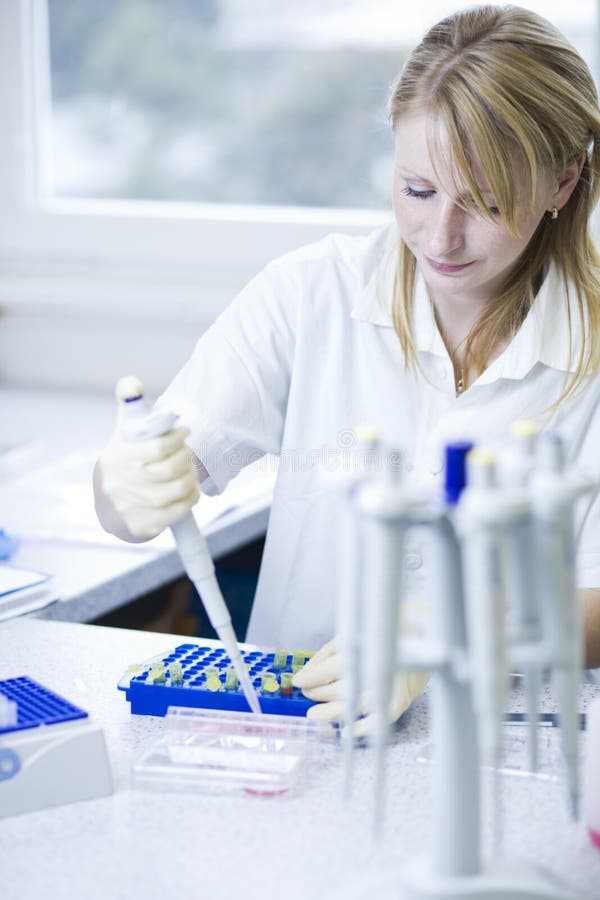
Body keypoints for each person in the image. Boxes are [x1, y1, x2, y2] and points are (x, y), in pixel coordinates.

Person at [95, 5, 600, 732]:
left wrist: (455, 630)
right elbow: (143, 489)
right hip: (294, 731)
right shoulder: (308, 295)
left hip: (512, 746)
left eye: (488, 203)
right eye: (418, 190)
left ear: (563, 182)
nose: (441, 238)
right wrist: (124, 485)